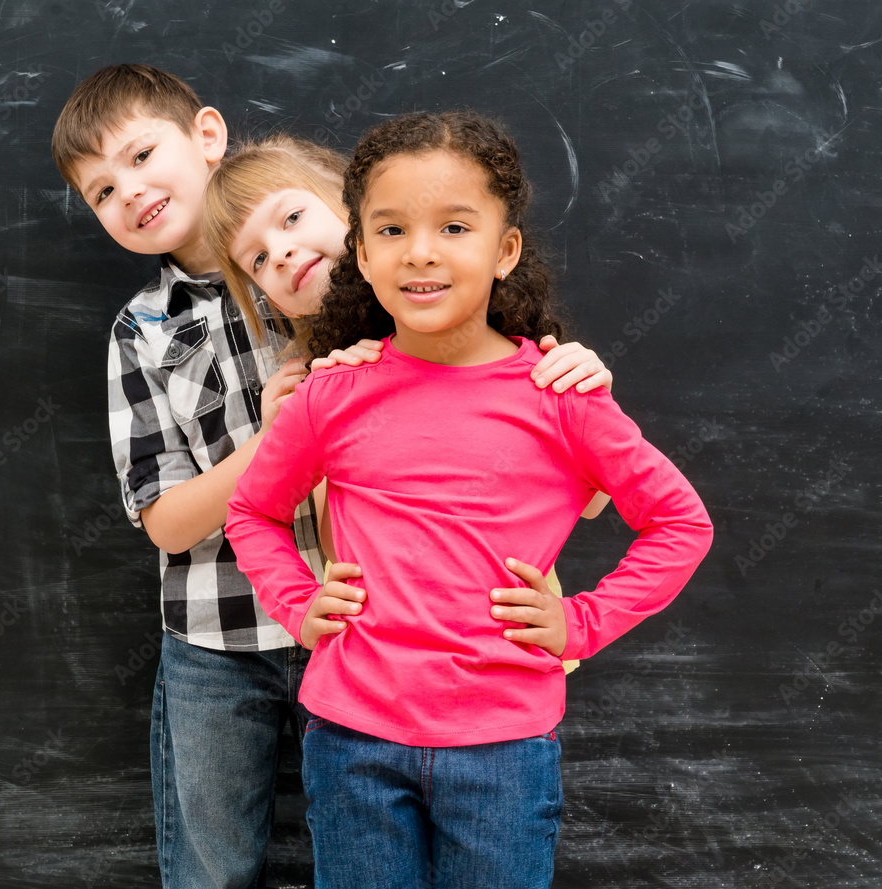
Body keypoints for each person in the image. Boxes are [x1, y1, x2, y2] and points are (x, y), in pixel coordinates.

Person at [50, 67, 612, 889]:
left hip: (386, 646)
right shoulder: (147, 327)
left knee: (375, 847)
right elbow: (170, 518)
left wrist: (580, 385)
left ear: (208, 136)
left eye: (141, 155)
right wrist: (281, 432)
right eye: (103, 189)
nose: (131, 190)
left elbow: (580, 482)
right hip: (223, 636)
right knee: (214, 864)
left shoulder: (392, 293)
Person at [225, 111, 714, 889]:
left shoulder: (560, 392)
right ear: (361, 252)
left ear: (505, 249)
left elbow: (679, 522)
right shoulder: (335, 393)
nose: (420, 251)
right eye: (390, 230)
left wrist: (581, 621)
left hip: (503, 752)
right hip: (352, 744)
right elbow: (252, 512)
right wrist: (295, 601)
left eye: (455, 226)